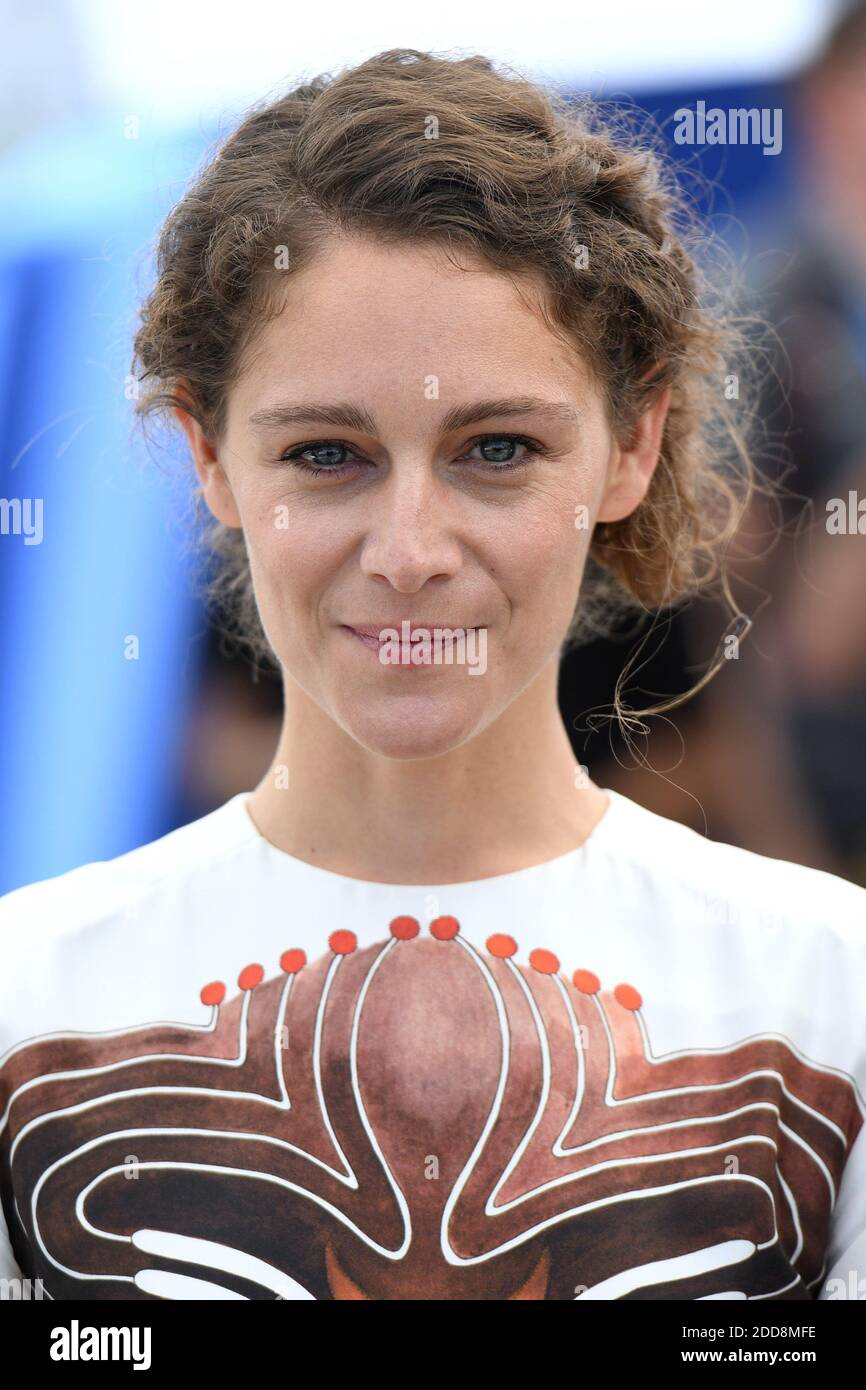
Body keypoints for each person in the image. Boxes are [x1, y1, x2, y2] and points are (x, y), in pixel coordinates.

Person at [0, 48, 863, 1303]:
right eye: (327, 454)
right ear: (208, 454)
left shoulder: (825, 1001)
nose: (408, 554)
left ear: (632, 444)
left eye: (496, 448)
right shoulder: (31, 1004)